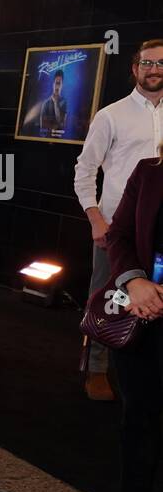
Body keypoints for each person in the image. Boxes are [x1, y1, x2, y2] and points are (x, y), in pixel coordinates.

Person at [75, 38, 163, 402]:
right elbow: (84, 169)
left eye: (161, 64)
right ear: (134, 68)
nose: (155, 69)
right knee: (107, 299)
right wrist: (95, 218)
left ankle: (143, 370)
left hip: (158, 233)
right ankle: (96, 368)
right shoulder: (111, 115)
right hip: (117, 231)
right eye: (148, 63)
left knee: (153, 303)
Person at [90, 147, 163, 492]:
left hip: (155, 301)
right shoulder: (148, 171)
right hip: (141, 311)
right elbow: (118, 234)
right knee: (138, 417)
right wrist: (136, 283)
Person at [39, 69, 68, 135]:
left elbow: (62, 124)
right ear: (53, 84)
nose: (57, 87)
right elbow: (42, 125)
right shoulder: (46, 103)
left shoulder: (64, 103)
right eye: (56, 83)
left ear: (62, 85)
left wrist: (55, 103)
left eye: (59, 84)